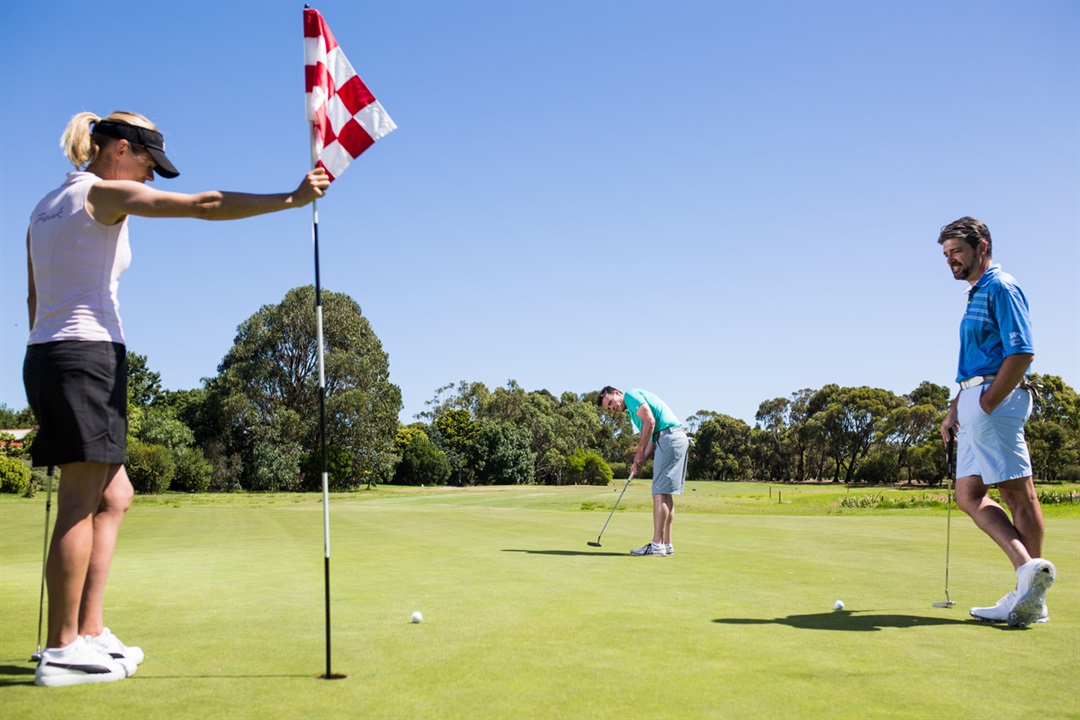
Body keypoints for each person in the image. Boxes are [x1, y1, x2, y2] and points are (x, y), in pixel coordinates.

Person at [25, 111, 330, 686]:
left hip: (52, 354)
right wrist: (290, 199)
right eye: (147, 162)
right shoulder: (104, 193)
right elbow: (204, 204)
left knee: (115, 494)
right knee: (80, 499)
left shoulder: (45, 206)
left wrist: (47, 367)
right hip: (84, 354)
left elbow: (34, 296)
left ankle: (89, 631)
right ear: (119, 149)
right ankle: (61, 649)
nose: (152, 176)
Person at [937, 216, 1055, 628]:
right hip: (973, 399)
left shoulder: (1001, 287)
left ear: (982, 246)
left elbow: (1021, 352)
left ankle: (1032, 596)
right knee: (968, 495)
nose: (951, 259)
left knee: (1018, 495)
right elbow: (975, 360)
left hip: (993, 402)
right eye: (946, 253)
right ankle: (1028, 576)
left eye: (957, 251)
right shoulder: (975, 293)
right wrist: (957, 408)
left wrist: (986, 402)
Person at [598, 386, 688, 557]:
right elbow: (652, 439)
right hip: (673, 438)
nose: (612, 408)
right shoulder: (633, 411)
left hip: (668, 438)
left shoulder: (631, 396)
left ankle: (656, 545)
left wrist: (639, 452)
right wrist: (639, 461)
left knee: (659, 493)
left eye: (611, 403)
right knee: (666, 494)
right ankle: (666, 544)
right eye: (609, 408)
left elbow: (650, 421)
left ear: (617, 393)